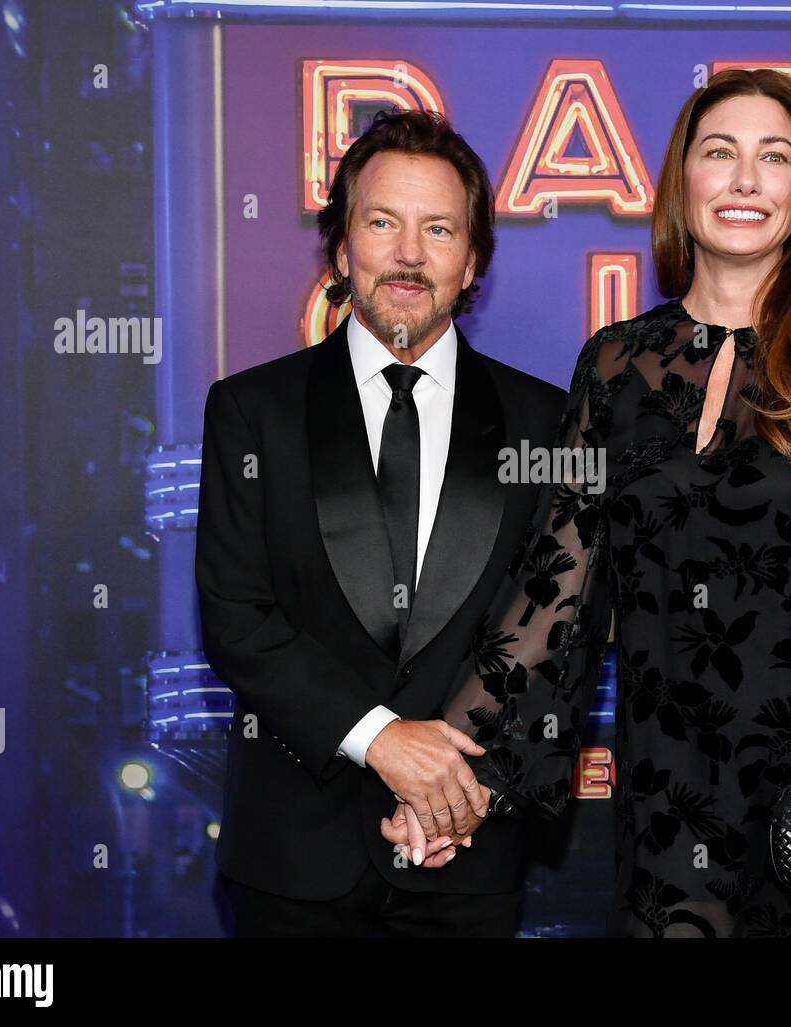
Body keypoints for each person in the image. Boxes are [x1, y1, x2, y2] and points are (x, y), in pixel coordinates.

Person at [389, 67, 791, 937]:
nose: (743, 180)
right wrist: (452, 782)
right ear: (681, 181)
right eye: (719, 152)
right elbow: (554, 592)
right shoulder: (615, 366)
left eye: (773, 158)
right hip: (666, 809)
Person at [195, 109, 566, 936]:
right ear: (340, 248)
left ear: (472, 262)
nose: (409, 253)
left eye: (438, 228)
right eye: (382, 221)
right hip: (290, 863)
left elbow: (557, 630)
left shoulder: (546, 423)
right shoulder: (252, 411)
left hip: (467, 855)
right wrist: (382, 739)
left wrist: (461, 796)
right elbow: (236, 617)